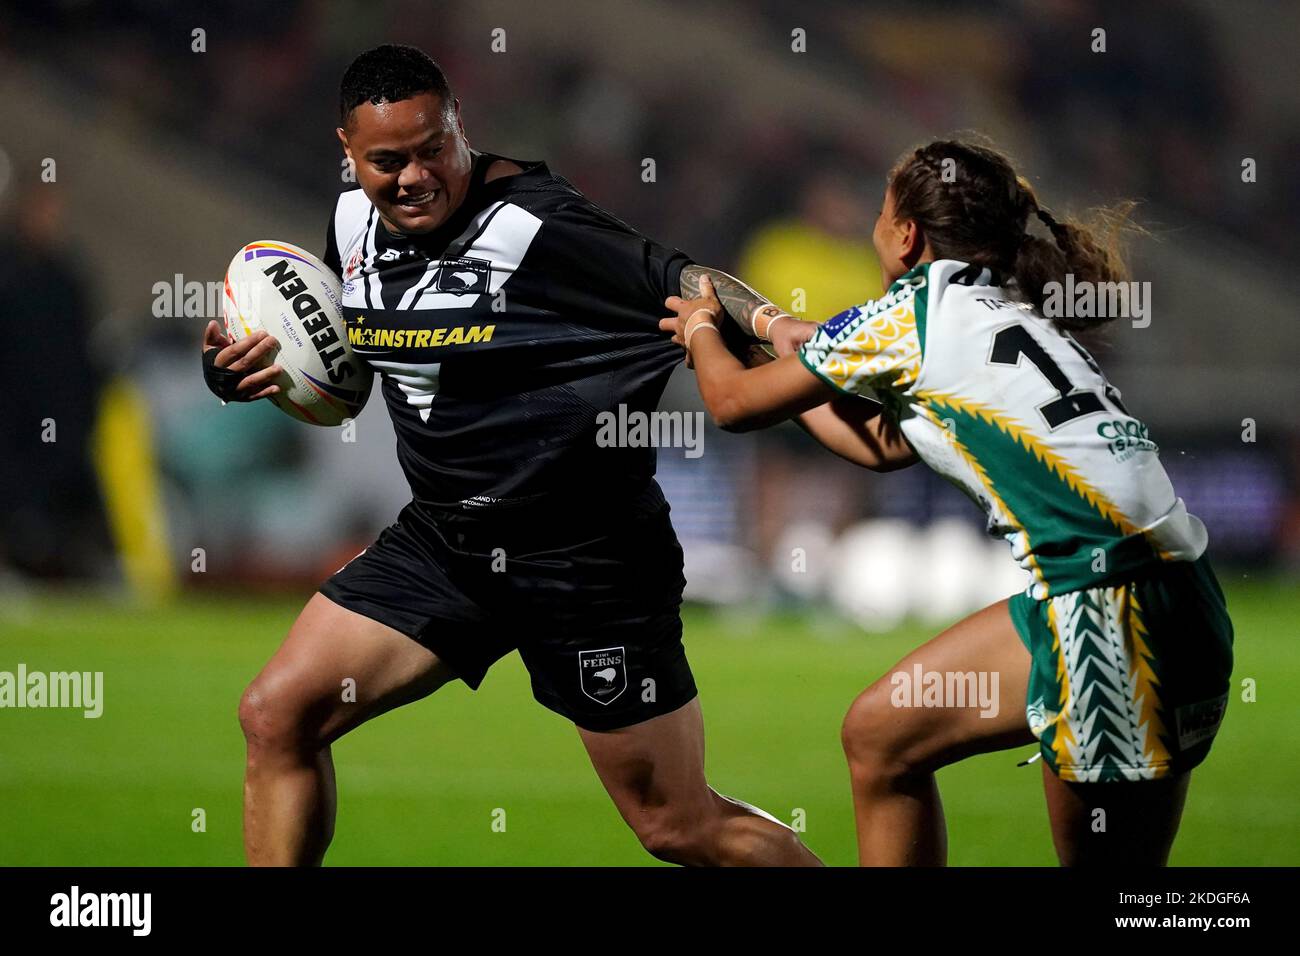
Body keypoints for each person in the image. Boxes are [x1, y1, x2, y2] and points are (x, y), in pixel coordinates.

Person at [200, 44, 818, 866]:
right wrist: (237, 370)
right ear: (347, 153)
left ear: (460, 127)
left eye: (434, 150)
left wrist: (777, 328)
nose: (417, 177)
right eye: (389, 161)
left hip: (584, 557)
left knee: (678, 825)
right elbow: (341, 371)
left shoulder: (537, 223)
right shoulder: (351, 221)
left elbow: (689, 278)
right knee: (277, 714)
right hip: (448, 544)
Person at [661, 139, 1233, 866]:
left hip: (1111, 615)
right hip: (1157, 590)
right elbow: (883, 445)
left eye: (880, 212)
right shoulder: (1005, 313)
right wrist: (767, 345)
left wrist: (705, 329)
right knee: (880, 737)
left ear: (906, 235)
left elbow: (734, 405)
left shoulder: (914, 312)